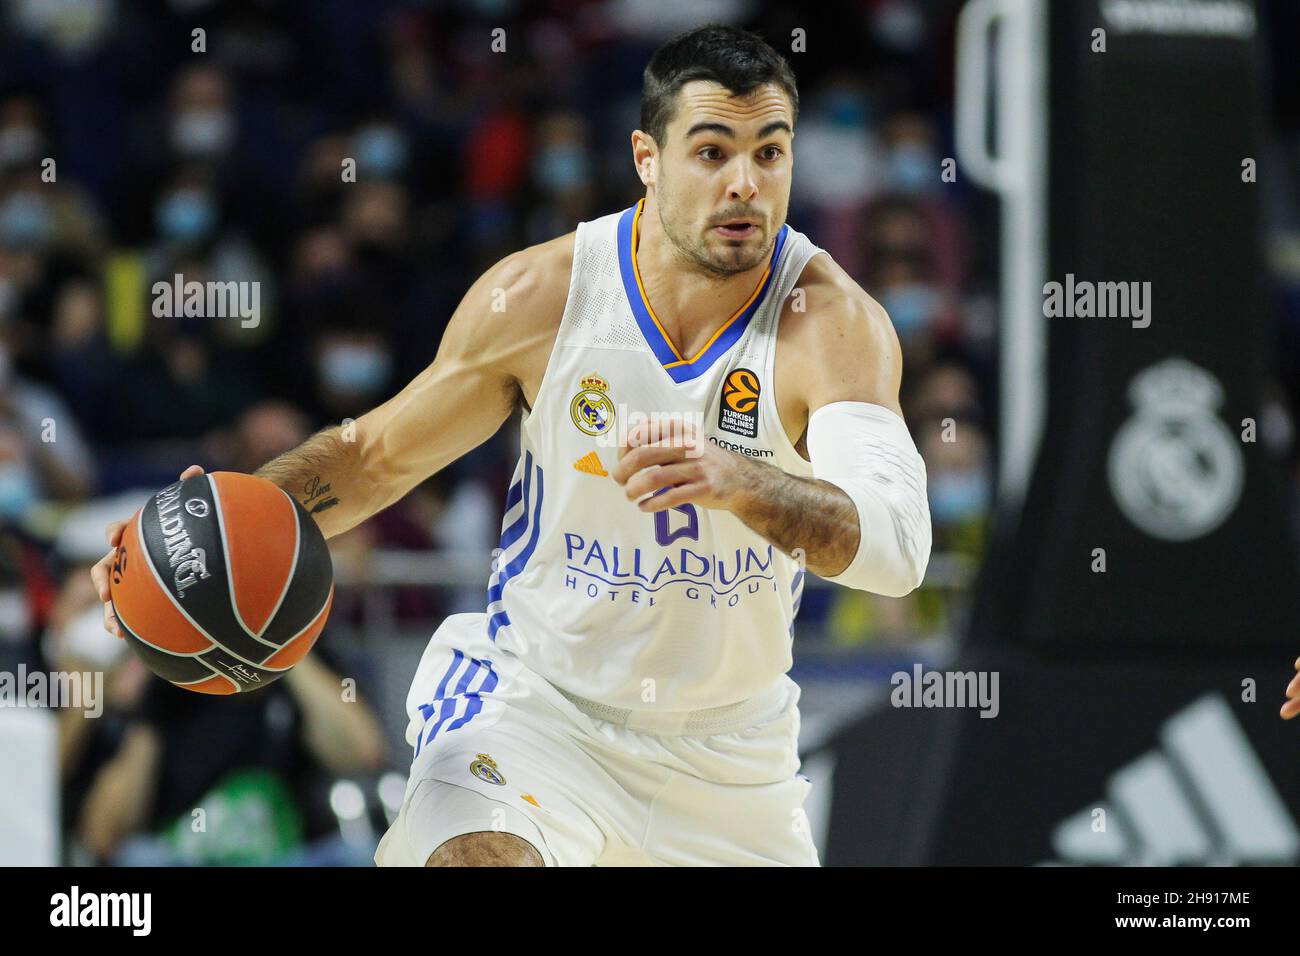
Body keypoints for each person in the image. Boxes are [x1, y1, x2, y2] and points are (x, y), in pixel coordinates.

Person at [93, 25, 933, 867]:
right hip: (538, 708)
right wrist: (214, 529)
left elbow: (896, 549)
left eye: (770, 153)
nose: (745, 184)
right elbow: (374, 457)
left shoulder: (830, 322)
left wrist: (737, 479)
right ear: (647, 157)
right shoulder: (543, 295)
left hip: (730, 756)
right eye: (712, 153)